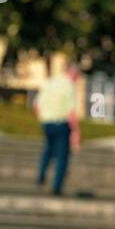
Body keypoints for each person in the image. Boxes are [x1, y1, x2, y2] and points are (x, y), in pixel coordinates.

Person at [35, 62, 81, 196]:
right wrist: (76, 131)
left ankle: (41, 175)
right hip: (61, 122)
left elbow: (36, 105)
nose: (77, 79)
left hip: (46, 122)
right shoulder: (69, 86)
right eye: (77, 76)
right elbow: (71, 112)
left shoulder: (50, 82)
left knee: (49, 148)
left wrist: (43, 118)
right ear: (73, 73)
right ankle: (57, 186)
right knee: (62, 155)